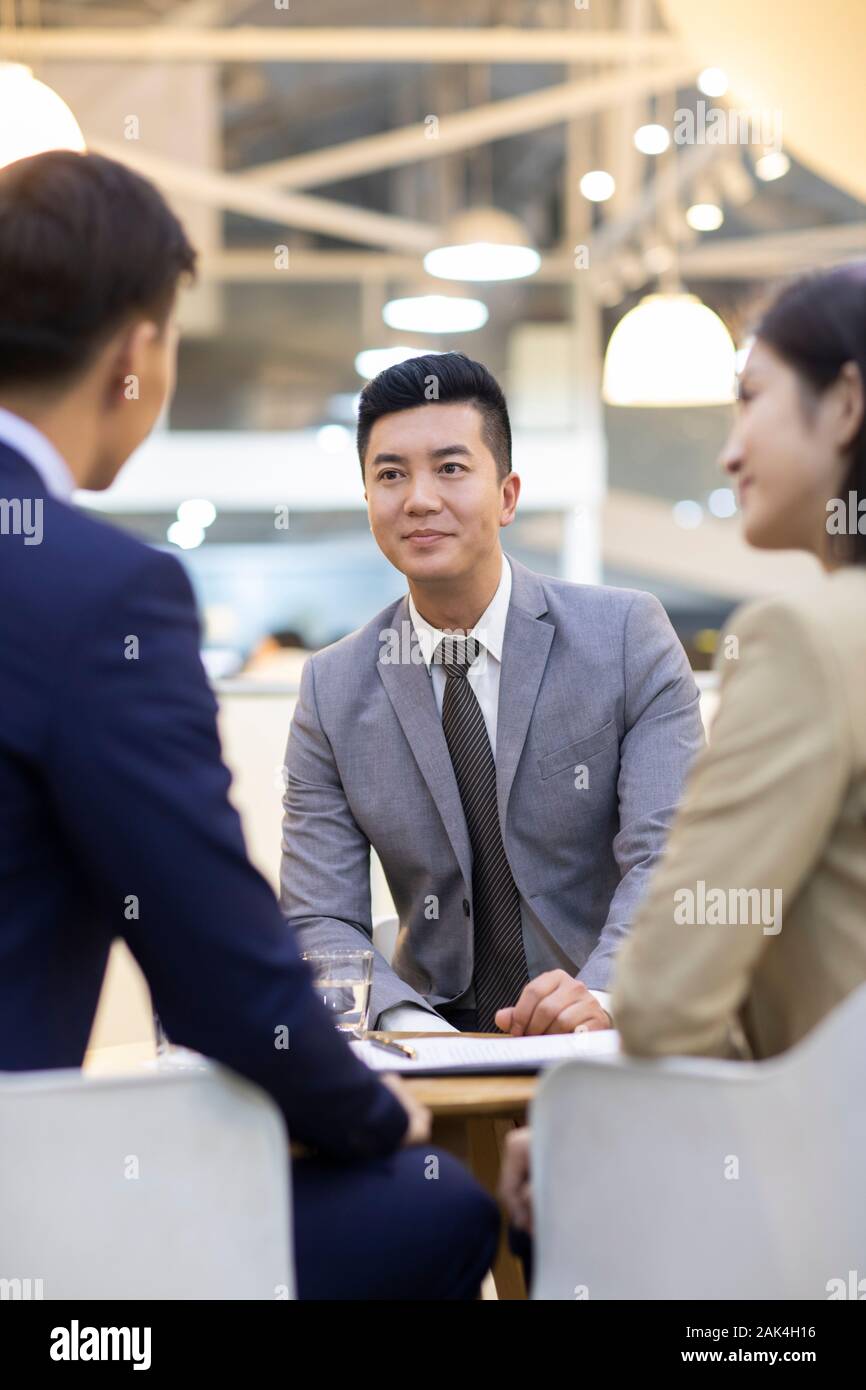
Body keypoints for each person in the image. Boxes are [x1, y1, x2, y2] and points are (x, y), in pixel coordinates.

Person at [0, 149, 498, 1301]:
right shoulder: (97, 592)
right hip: (19, 1222)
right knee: (427, 1204)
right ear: (137, 354)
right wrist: (374, 1113)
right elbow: (216, 956)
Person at [500, 262, 866, 1243]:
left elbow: (663, 996)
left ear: (844, 404)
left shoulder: (803, 640)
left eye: (748, 401)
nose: (725, 452)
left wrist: (579, 1121)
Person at [280, 352, 704, 1035]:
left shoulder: (625, 636)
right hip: (429, 1037)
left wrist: (604, 994)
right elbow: (318, 916)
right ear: (368, 502)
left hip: (614, 1030)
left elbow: (672, 854)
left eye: (450, 468)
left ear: (506, 495)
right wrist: (411, 1026)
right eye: (391, 475)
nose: (419, 498)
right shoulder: (334, 687)